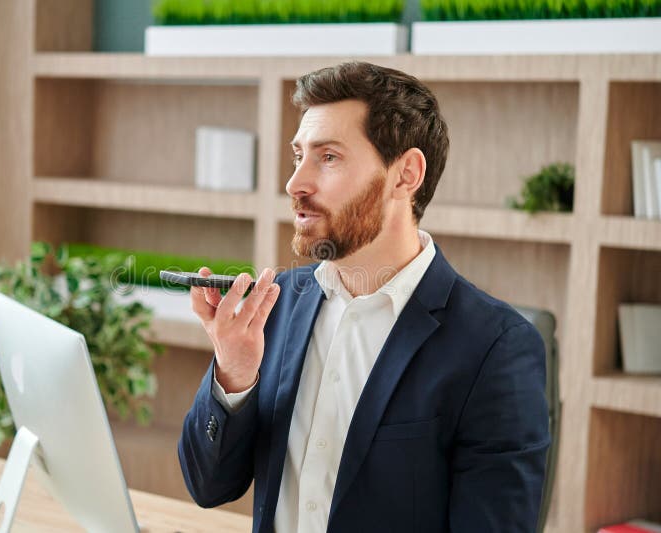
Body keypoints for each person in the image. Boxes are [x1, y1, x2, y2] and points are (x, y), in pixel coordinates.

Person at [178, 61, 550, 533]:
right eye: (298, 157)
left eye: (328, 157)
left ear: (405, 175)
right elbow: (208, 487)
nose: (295, 184)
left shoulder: (496, 349)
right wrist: (232, 374)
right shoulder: (276, 305)